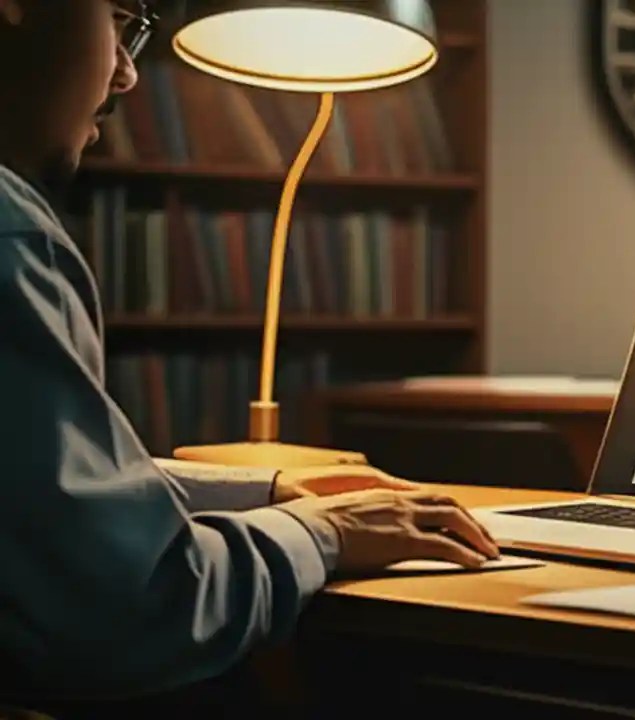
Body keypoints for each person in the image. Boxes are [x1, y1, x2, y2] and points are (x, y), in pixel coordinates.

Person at [0, 0, 500, 712]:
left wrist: (262, 493)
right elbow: (144, 608)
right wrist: (323, 534)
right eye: (118, 19)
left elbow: (33, 497)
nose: (127, 75)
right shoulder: (11, 242)